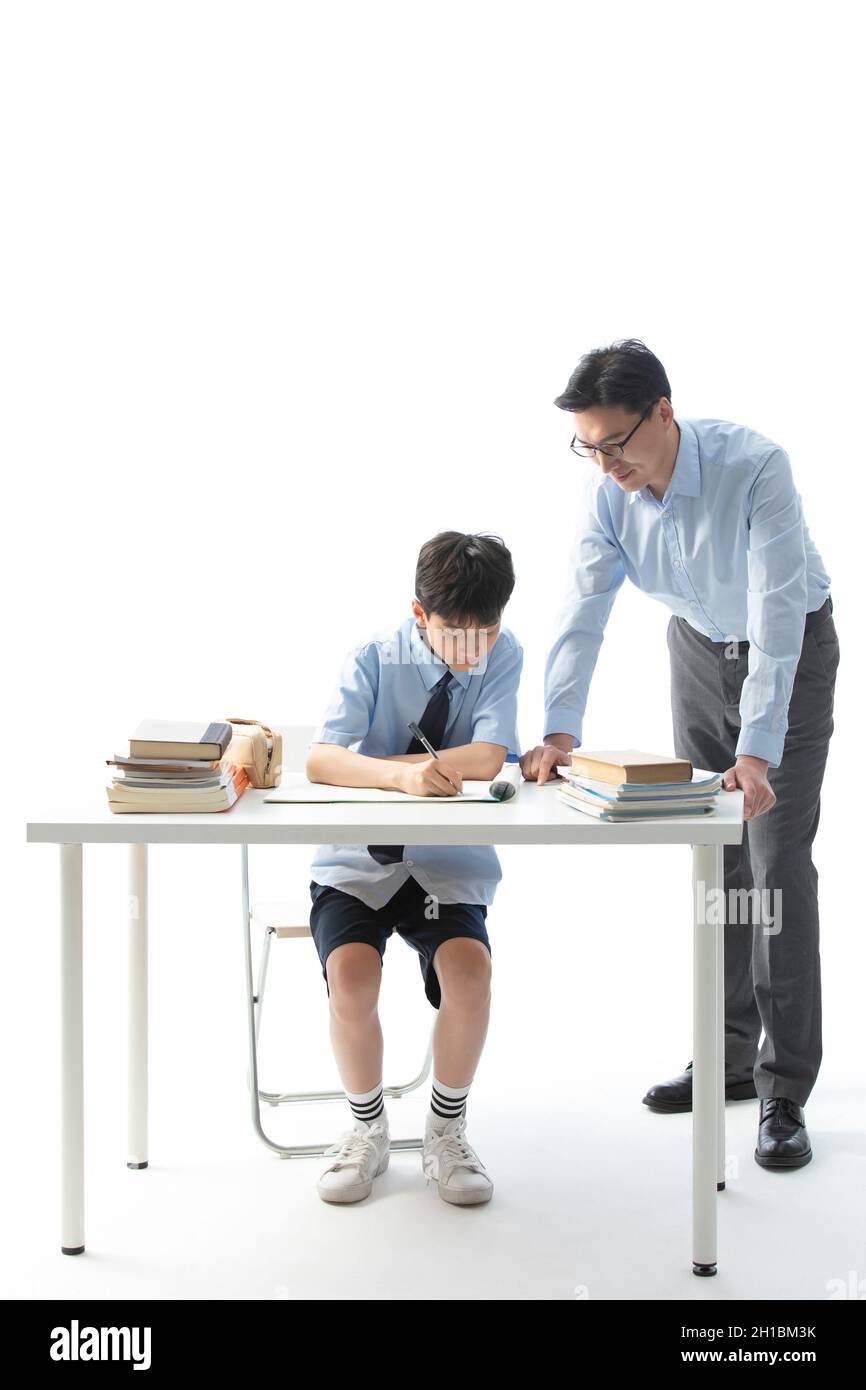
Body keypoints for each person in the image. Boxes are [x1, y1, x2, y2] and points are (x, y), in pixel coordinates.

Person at [520, 338, 839, 1170]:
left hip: (791, 654)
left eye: (616, 443)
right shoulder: (609, 496)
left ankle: (784, 1090)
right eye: (588, 447)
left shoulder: (756, 465)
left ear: (664, 412)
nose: (604, 465)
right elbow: (582, 607)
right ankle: (727, 1056)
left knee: (774, 863)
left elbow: (776, 616)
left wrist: (759, 751)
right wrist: (560, 728)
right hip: (697, 653)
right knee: (716, 857)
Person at [306, 530, 523, 1204]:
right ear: (419, 615)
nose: (473, 651)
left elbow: (489, 756)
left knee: (470, 973)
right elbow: (319, 761)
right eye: (456, 635)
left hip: (445, 862)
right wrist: (400, 781)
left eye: (485, 634)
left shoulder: (502, 652)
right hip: (357, 862)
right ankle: (366, 1130)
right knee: (352, 978)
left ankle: (446, 1131)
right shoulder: (373, 658)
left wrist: (369, 771)